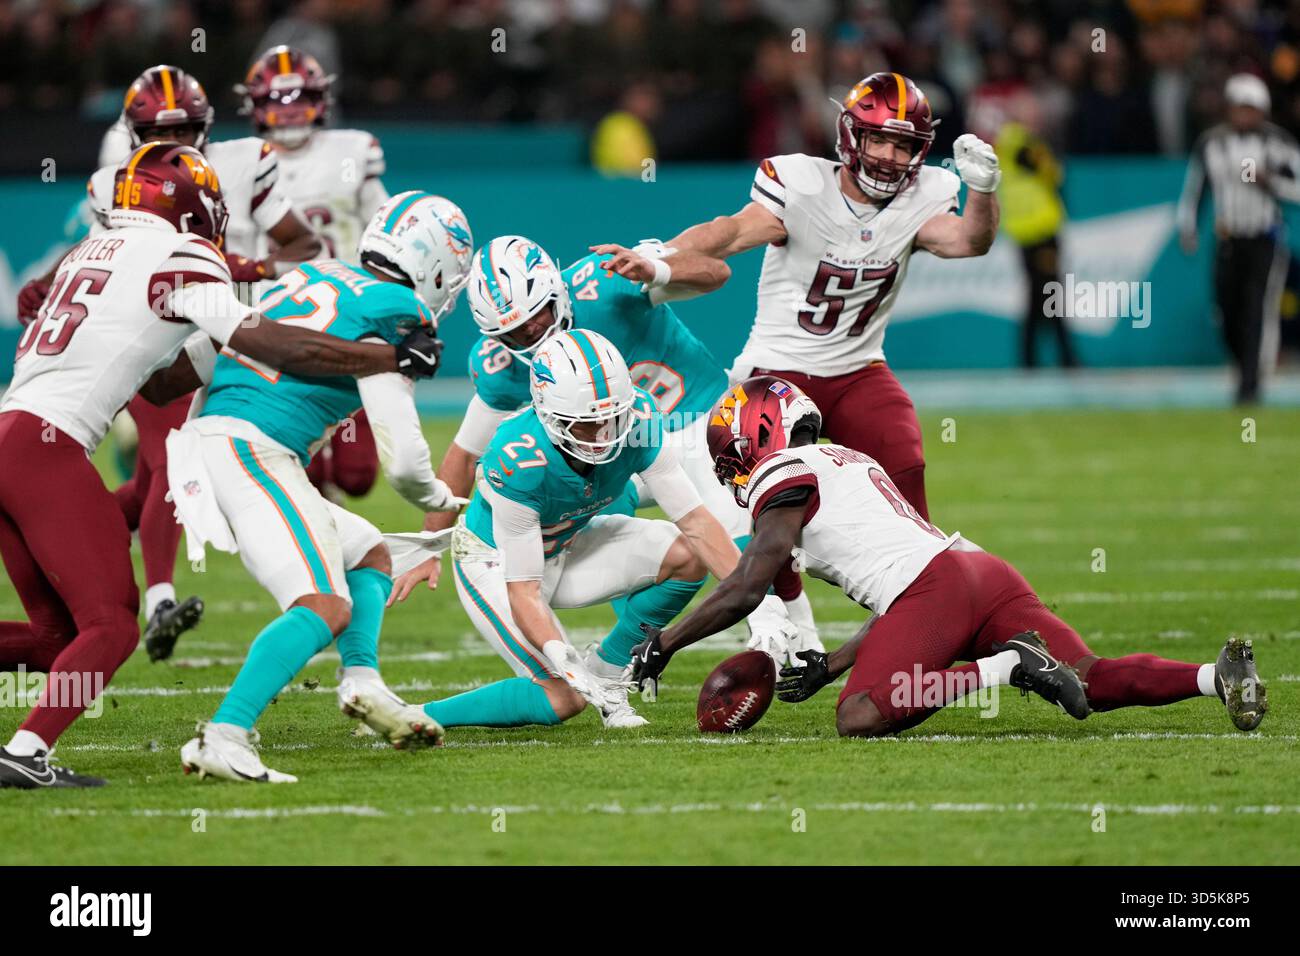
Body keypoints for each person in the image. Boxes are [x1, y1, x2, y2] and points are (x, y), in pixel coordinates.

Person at [0, 144, 442, 789]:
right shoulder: (181, 254)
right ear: (190, 207)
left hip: (12, 434)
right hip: (50, 449)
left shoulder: (88, 252)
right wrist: (386, 357)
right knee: (113, 623)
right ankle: (27, 753)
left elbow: (158, 384)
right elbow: (267, 342)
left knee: (51, 639)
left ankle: (362, 679)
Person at [632, 376, 1268, 738]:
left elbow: (748, 584)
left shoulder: (784, 471)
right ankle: (1214, 677)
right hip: (976, 569)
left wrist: (664, 642)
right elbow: (899, 586)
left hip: (932, 589)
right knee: (1088, 677)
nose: (734, 472)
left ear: (759, 432)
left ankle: (1008, 667)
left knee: (859, 715)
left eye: (732, 456)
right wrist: (832, 663)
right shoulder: (848, 458)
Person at [392, 234, 817, 708]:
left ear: (557, 294)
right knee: (613, 511)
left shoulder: (606, 283)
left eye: (538, 318)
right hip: (613, 448)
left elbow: (717, 273)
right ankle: (621, 661)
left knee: (739, 532)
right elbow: (464, 453)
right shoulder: (503, 372)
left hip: (694, 424)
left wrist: (658, 270)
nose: (533, 335)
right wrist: (428, 542)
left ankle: (799, 642)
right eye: (515, 333)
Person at [17, 64, 325, 660]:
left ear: (205, 126)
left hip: (225, 323)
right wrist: (50, 278)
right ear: (132, 134)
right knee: (170, 458)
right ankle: (159, 597)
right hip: (157, 330)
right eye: (160, 132)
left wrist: (249, 269)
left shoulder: (244, 162)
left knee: (162, 481)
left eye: (185, 130)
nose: (174, 142)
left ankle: (54, 534)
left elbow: (303, 244)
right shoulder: (118, 181)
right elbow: (102, 250)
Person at [176, 191, 472, 784]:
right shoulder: (397, 308)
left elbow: (201, 358)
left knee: (367, 552)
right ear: (440, 268)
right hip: (250, 449)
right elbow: (403, 460)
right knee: (324, 605)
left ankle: (363, 682)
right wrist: (441, 500)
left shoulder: (313, 273)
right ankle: (226, 734)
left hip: (210, 441)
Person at [656, 71, 1001, 521]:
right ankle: (772, 575)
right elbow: (731, 232)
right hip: (778, 369)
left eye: (903, 146)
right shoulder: (804, 186)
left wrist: (984, 190)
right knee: (775, 507)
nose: (889, 156)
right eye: (878, 140)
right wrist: (661, 254)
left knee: (903, 465)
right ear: (850, 136)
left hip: (859, 371)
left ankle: (913, 564)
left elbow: (969, 241)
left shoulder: (922, 197)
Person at [395, 331, 743, 730]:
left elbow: (696, 522)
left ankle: (609, 672)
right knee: (564, 697)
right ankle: (414, 715)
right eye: (587, 425)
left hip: (567, 542)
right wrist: (558, 651)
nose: (604, 435)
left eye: (612, 418)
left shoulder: (640, 420)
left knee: (687, 556)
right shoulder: (517, 459)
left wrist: (758, 599)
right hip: (496, 563)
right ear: (550, 416)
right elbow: (524, 591)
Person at [237, 44, 393, 502]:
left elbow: (385, 228)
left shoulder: (352, 150)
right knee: (296, 460)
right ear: (256, 106)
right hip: (281, 318)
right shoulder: (241, 163)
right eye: (277, 102)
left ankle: (327, 488)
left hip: (349, 314)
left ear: (320, 100)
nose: (288, 113)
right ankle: (315, 513)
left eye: (299, 100)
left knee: (357, 475)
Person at [1178, 73, 1300, 404]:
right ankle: (1245, 367)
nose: (1244, 115)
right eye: (1239, 107)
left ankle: (1250, 384)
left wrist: (1270, 183)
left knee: (1257, 308)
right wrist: (1188, 227)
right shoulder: (1211, 143)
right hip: (1228, 238)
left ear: (1262, 110)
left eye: (1250, 108)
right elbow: (1195, 190)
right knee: (1226, 309)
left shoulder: (1278, 144)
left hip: (1264, 237)